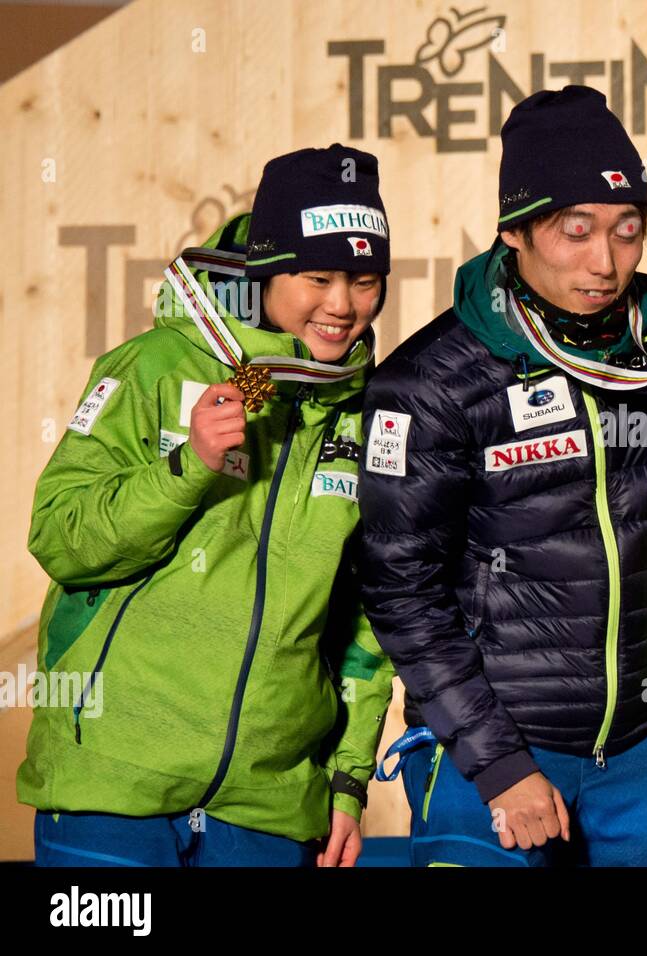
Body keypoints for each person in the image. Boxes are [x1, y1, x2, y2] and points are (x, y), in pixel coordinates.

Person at [358, 85, 647, 867]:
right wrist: (504, 769)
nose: (605, 263)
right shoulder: (431, 380)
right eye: (575, 232)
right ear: (515, 229)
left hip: (643, 748)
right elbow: (401, 595)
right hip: (495, 756)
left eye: (627, 231)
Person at [20, 144, 395, 867]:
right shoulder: (156, 366)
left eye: (364, 280)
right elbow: (62, 537)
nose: (342, 305)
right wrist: (186, 467)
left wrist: (347, 780)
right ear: (265, 270)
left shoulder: (364, 414)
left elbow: (367, 623)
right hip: (112, 789)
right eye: (317, 277)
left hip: (268, 809)